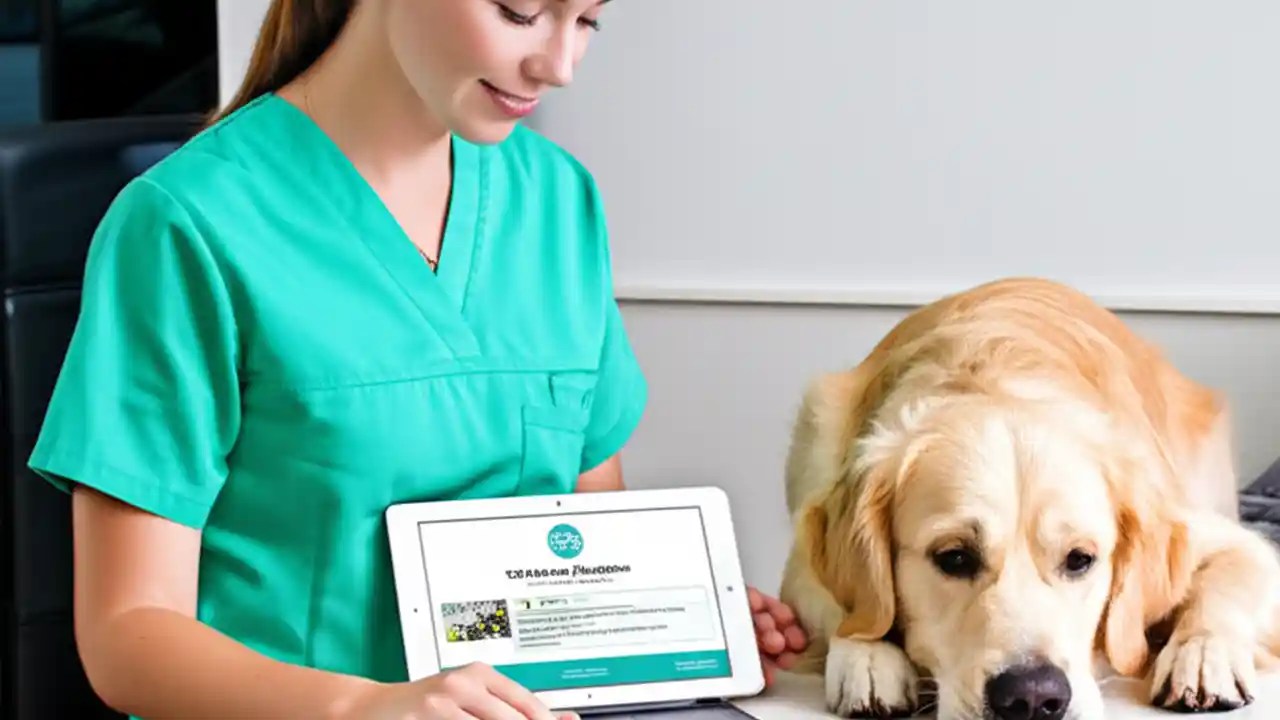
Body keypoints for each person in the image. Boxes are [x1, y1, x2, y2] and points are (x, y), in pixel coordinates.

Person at [28, 1, 808, 719]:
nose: (558, 64)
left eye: (588, 21)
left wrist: (672, 619)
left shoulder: (557, 200)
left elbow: (585, 536)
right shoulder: (185, 223)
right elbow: (129, 636)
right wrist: (367, 709)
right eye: (521, 12)